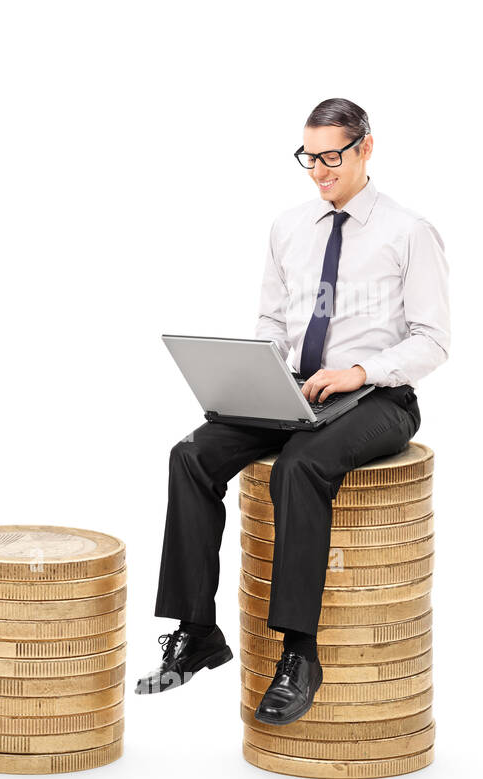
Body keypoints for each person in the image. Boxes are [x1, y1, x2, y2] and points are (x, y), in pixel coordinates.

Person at [135, 98, 450, 724]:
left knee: (298, 469)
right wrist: (265, 369)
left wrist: (360, 372)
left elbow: (432, 339)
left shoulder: (408, 231)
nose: (319, 171)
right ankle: (198, 631)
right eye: (308, 157)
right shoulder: (288, 227)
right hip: (297, 390)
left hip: (380, 396)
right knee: (192, 456)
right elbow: (273, 321)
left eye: (331, 156)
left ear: (365, 148)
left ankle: (299, 655)